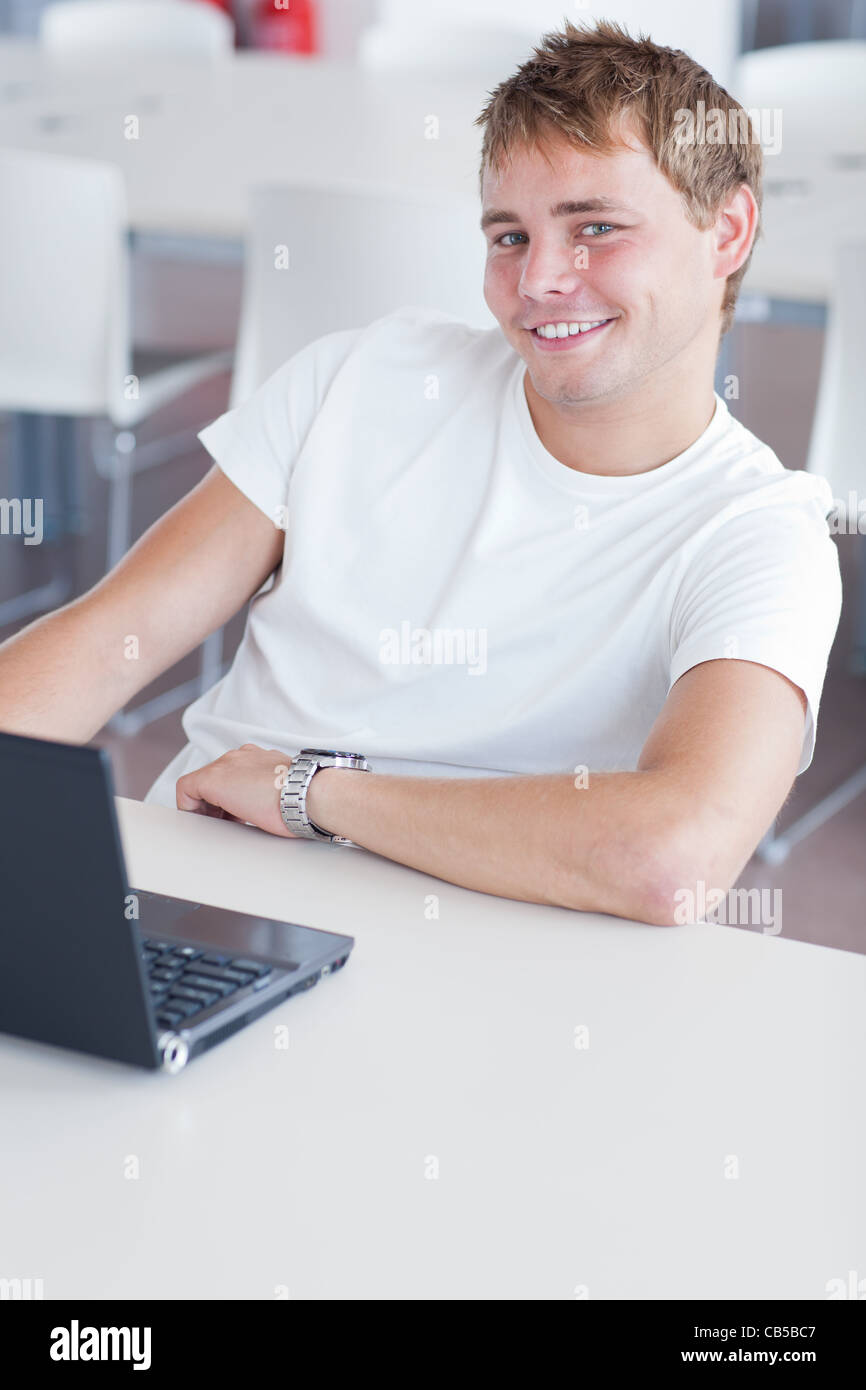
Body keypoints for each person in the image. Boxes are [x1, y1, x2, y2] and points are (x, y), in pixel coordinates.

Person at [0, 20, 842, 925]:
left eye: (596, 226)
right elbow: (105, 640)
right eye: (509, 236)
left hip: (476, 957)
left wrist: (308, 794)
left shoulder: (763, 539)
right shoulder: (364, 375)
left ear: (729, 230)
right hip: (199, 904)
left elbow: (671, 858)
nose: (541, 279)